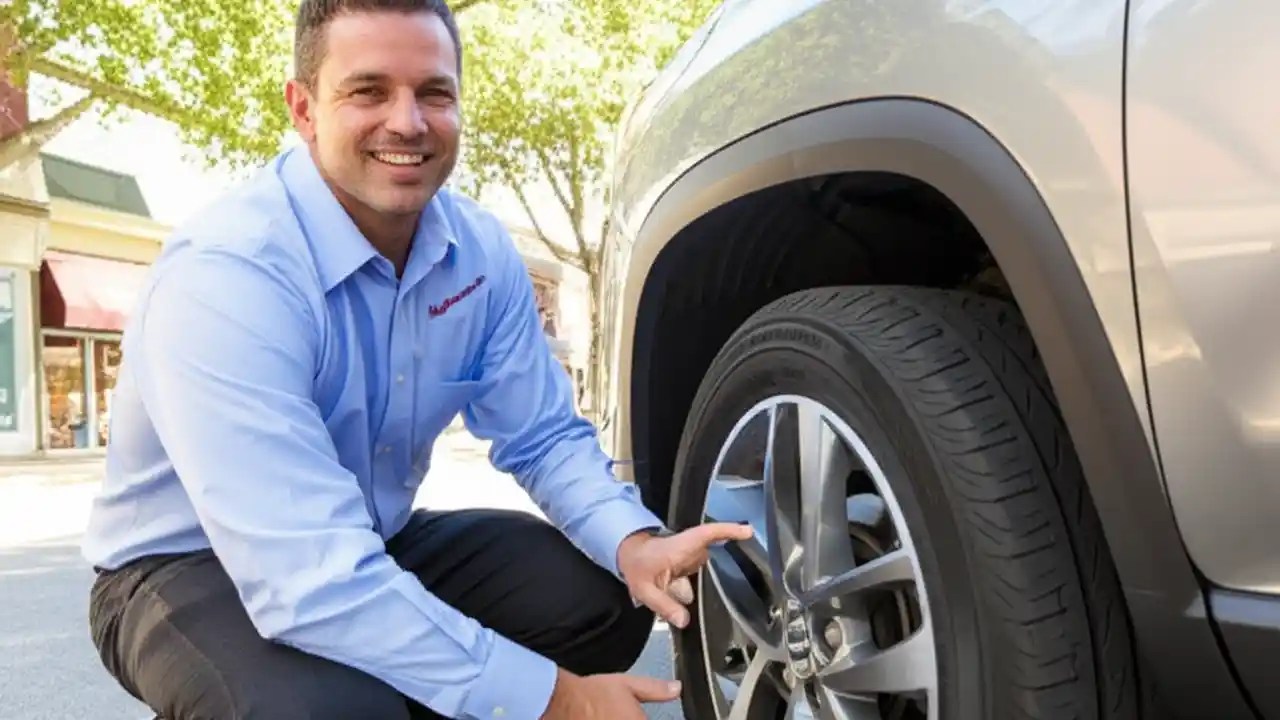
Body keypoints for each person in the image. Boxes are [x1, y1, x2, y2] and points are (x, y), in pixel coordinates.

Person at [80, 1, 752, 718]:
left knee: (603, 599)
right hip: (180, 568)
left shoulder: (479, 253)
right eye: (367, 91)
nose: (407, 122)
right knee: (332, 710)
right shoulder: (229, 277)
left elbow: (544, 437)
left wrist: (635, 543)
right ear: (303, 109)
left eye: (434, 93)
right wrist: (560, 701)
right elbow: (308, 575)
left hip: (371, 539)